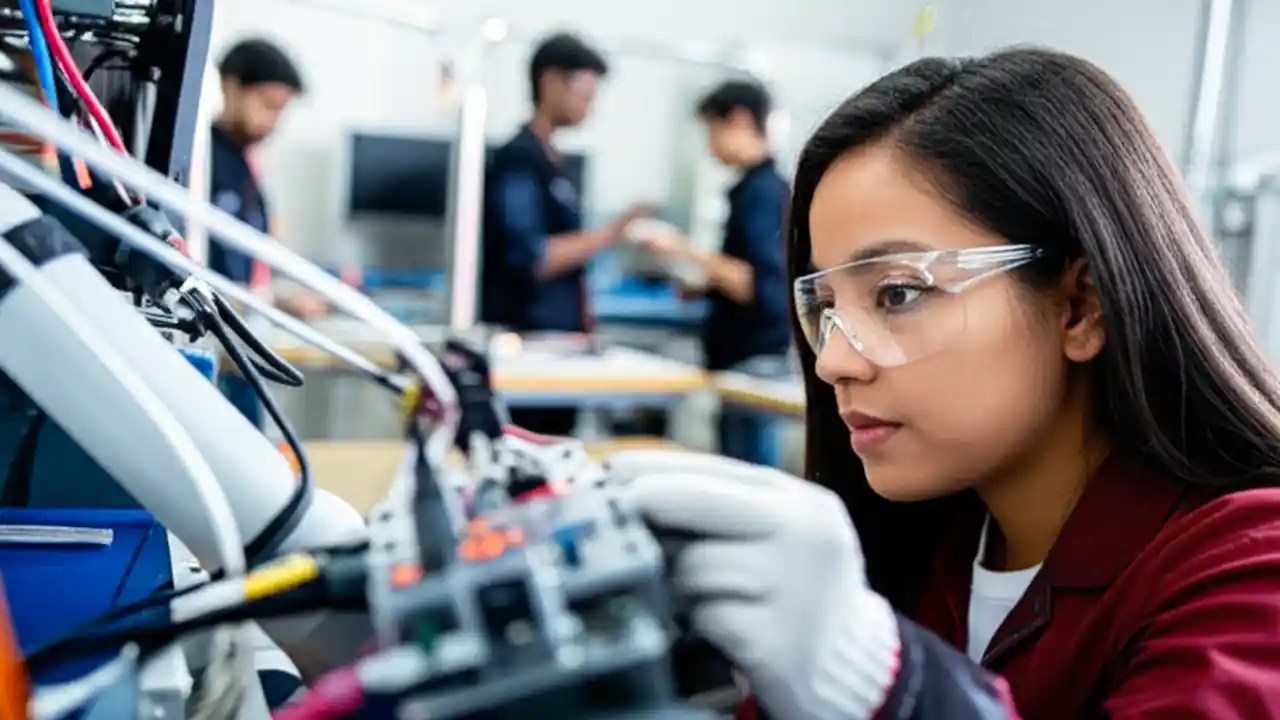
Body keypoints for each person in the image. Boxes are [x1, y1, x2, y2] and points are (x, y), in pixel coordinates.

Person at [609, 48, 1280, 720]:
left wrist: (888, 686)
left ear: (1083, 306)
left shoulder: (1251, 567)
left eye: (899, 293)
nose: (833, 363)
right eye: (826, 309)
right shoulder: (929, 546)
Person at [482, 33, 648, 435]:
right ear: (551, 81)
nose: (590, 107)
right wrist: (612, 233)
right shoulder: (519, 160)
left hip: (560, 342)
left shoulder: (556, 162)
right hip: (529, 346)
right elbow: (531, 257)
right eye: (585, 94)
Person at [636, 80, 791, 465]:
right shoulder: (750, 191)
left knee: (753, 479)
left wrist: (681, 247)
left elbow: (753, 283)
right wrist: (703, 287)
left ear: (737, 121)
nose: (708, 144)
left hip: (755, 358)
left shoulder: (763, 193)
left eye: (711, 129)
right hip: (741, 353)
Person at [209, 38, 326, 425]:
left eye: (281, 111)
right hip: (213, 341)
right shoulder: (204, 161)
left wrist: (277, 296)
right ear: (231, 86)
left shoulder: (246, 169)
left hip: (243, 341)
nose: (273, 122)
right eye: (267, 105)